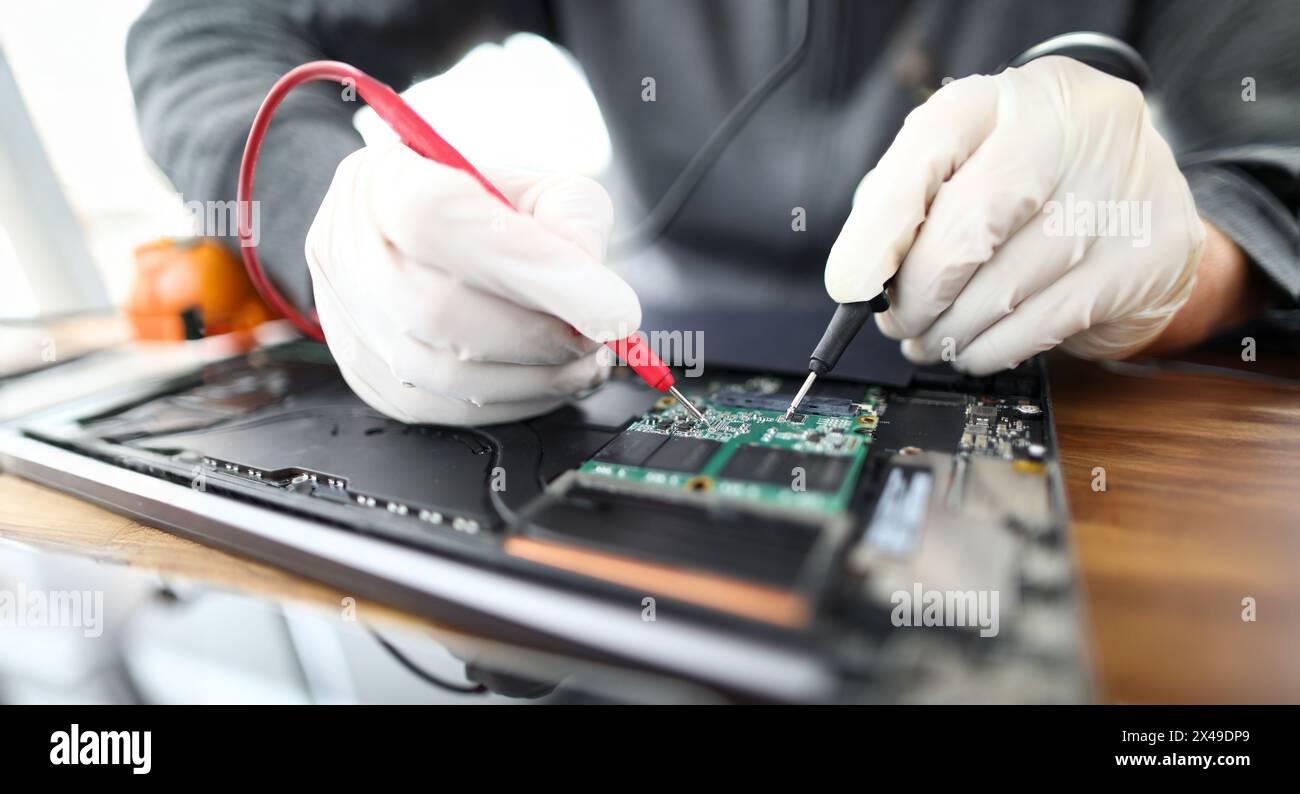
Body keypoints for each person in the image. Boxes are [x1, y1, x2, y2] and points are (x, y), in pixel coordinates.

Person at [127, 0, 1298, 425]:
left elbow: (1269, 157)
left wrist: (1195, 262)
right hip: (635, 359)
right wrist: (324, 205)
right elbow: (202, 31)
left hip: (1070, 394)